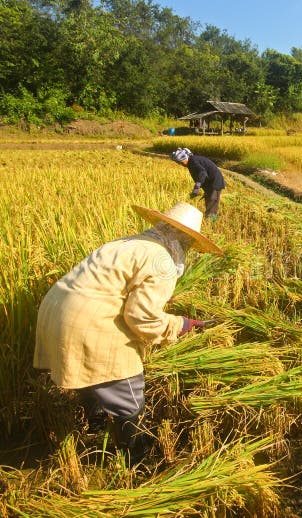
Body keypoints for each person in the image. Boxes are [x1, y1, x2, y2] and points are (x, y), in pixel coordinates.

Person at [33, 202, 223, 465]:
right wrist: (179, 324)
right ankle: (134, 456)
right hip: (87, 324)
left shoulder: (130, 243)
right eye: (189, 244)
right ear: (183, 239)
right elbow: (142, 318)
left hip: (54, 312)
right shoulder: (162, 261)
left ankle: (97, 422)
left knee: (89, 374)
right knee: (129, 392)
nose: (188, 250)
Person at [170, 147, 225, 221]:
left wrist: (196, 188)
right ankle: (210, 220)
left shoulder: (193, 161)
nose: (180, 164)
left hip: (215, 182)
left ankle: (211, 222)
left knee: (212, 201)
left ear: (184, 158)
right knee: (209, 200)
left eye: (180, 162)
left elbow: (202, 173)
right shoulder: (192, 161)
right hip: (210, 182)